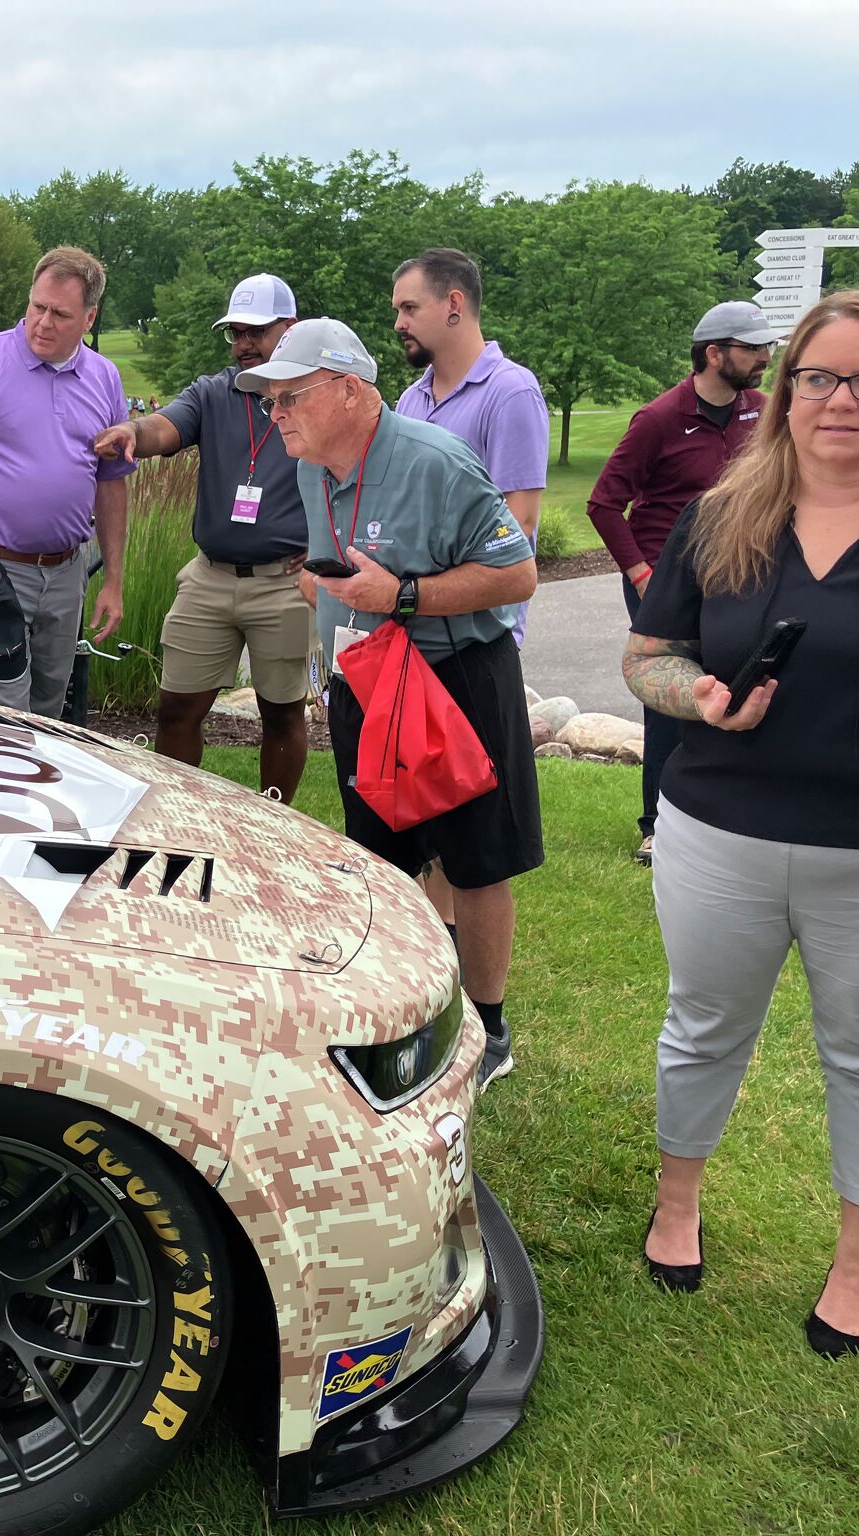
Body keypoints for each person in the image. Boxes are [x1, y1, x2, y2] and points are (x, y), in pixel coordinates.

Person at [623, 290, 859, 1358]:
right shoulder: (723, 515)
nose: (839, 399)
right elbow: (645, 659)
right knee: (701, 1025)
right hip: (714, 833)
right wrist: (701, 699)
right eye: (817, 376)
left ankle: (855, 1267)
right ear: (782, 392)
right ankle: (675, 1205)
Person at [242, 319, 542, 1087]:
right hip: (365, 683)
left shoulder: (435, 461)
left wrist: (402, 593)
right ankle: (397, 1008)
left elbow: (516, 576)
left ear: (350, 389)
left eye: (290, 398)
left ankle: (490, 1028)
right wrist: (324, 587)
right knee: (380, 862)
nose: (276, 416)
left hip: (456, 680)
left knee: (478, 863)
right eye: (270, 402)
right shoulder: (312, 465)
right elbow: (337, 563)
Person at [91, 274, 312, 802]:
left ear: (293, 329)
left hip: (284, 583)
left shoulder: (316, 397)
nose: (244, 344)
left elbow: (355, 477)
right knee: (177, 707)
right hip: (209, 576)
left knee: (281, 713)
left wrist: (324, 552)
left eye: (258, 331)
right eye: (236, 332)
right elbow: (164, 427)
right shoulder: (215, 393)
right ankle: (179, 814)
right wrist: (131, 434)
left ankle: (275, 826)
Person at [590, 300, 774, 864]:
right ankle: (657, 826)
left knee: (738, 684)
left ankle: (728, 812)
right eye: (752, 348)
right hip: (663, 579)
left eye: (767, 347)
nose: (765, 357)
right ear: (713, 353)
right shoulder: (659, 419)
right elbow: (603, 504)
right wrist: (643, 575)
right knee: (672, 696)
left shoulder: (763, 411)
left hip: (738, 572)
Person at [0, 247, 134, 715]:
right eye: (37, 306)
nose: (42, 322)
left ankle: (31, 789)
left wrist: (114, 581)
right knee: (4, 714)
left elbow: (112, 483)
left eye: (60, 314)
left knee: (48, 708)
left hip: (66, 572)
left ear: (89, 317)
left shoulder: (104, 378)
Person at [392, 249, 549, 641]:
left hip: (478, 638)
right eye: (397, 310)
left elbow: (518, 523)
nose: (399, 323)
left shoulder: (511, 392)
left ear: (454, 305)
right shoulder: (411, 399)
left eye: (409, 308)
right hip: (414, 622)